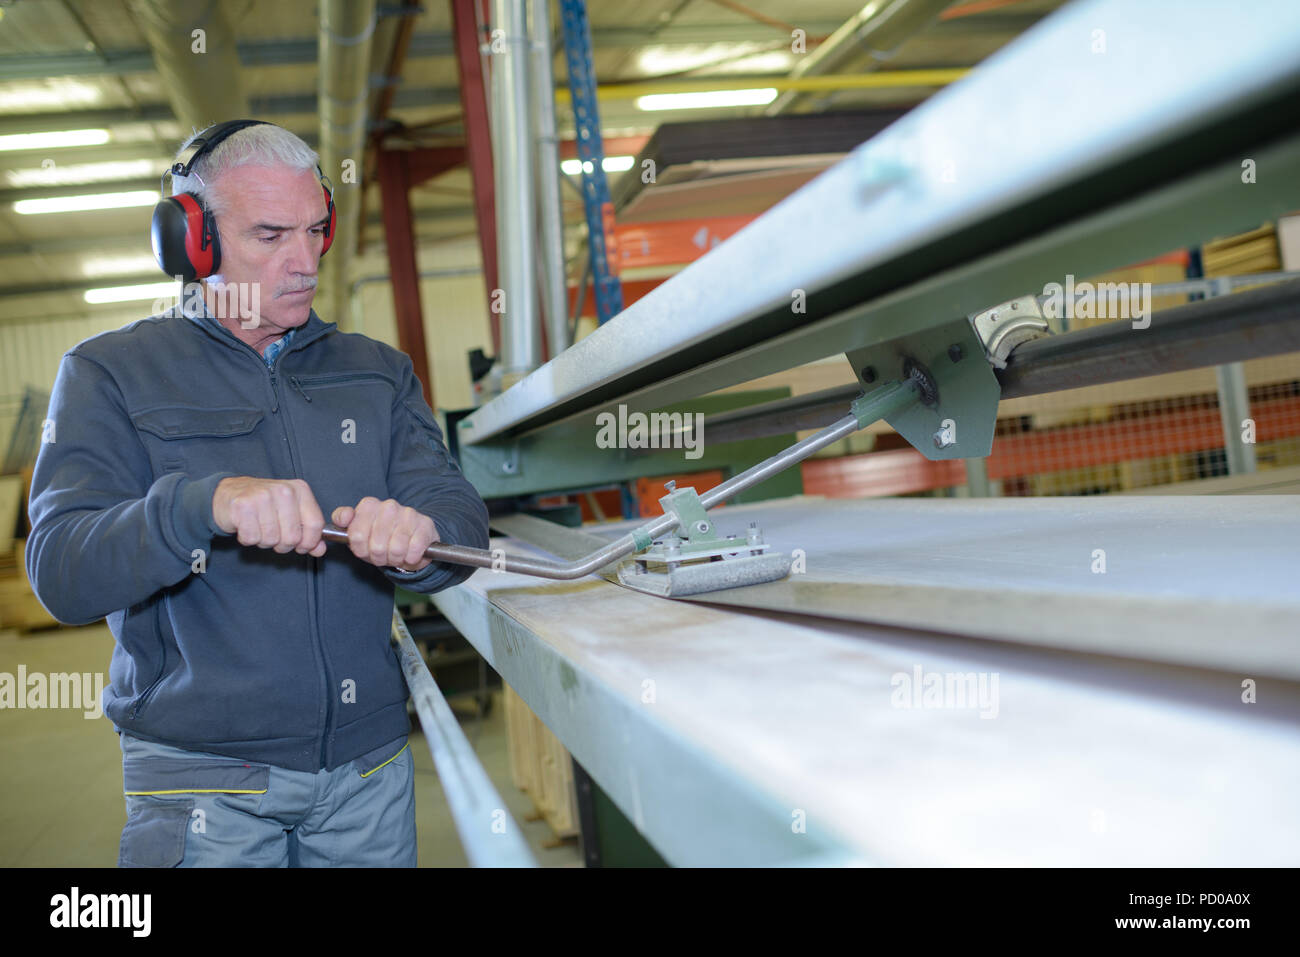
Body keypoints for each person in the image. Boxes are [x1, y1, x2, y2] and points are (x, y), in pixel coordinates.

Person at [25, 120, 491, 867]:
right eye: (270, 236)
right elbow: (60, 570)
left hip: (369, 771)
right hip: (201, 780)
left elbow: (460, 514)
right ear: (192, 241)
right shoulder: (111, 373)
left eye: (315, 230)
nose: (303, 262)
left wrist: (420, 532)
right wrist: (199, 505)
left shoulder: (376, 372)